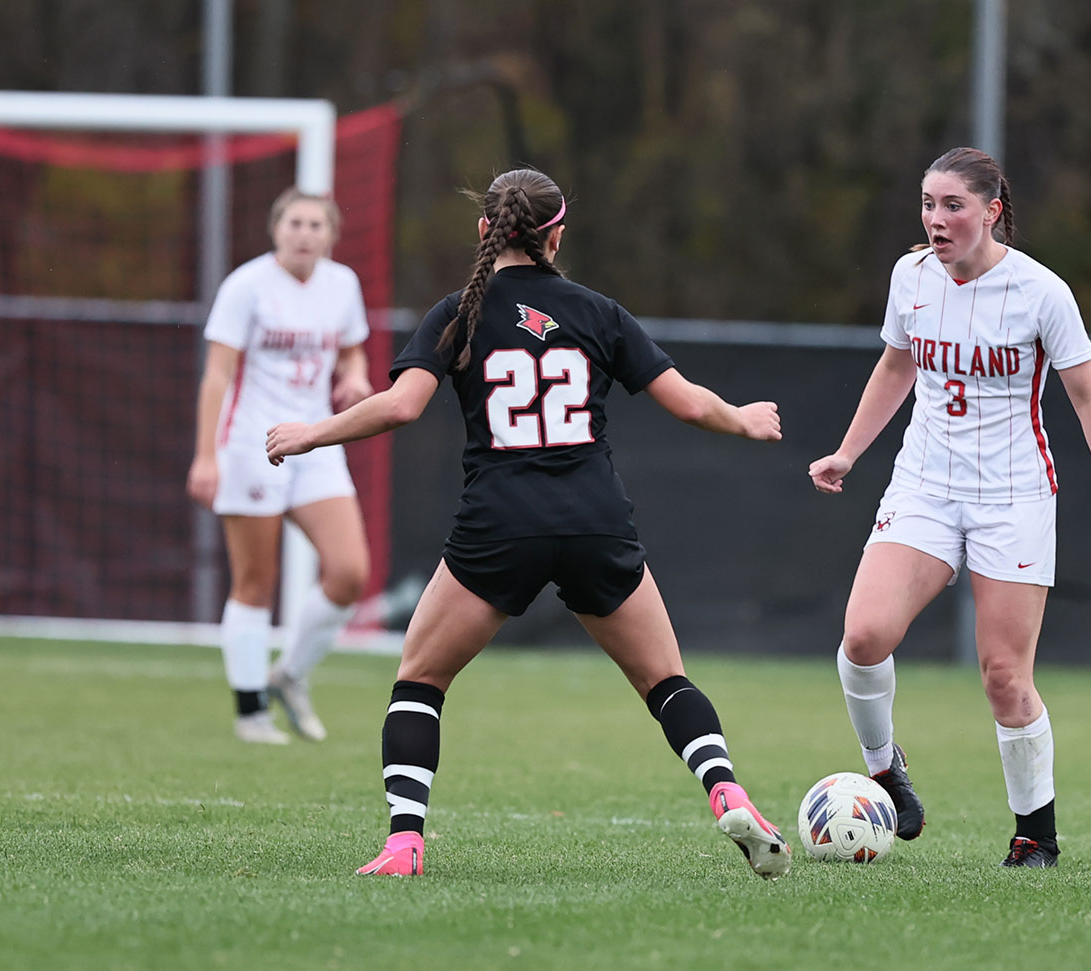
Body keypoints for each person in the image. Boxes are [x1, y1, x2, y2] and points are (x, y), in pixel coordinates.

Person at [263, 168, 792, 879]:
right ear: (557, 236)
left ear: (485, 229)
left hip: (501, 525)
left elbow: (399, 406)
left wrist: (310, 434)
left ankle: (404, 844)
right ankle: (726, 789)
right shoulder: (598, 311)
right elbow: (692, 405)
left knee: (420, 682)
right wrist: (745, 420)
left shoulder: (459, 313)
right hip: (594, 521)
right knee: (666, 681)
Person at [808, 147, 1091, 868]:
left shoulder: (1040, 291)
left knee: (1004, 679)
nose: (936, 219)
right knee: (864, 637)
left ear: (991, 212)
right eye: (928, 204)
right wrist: (848, 452)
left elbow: (1089, 396)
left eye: (952, 206)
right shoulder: (911, 277)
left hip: (1013, 498)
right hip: (924, 487)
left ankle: (1035, 835)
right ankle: (884, 772)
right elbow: (896, 363)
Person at [188, 188, 373, 745]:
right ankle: (251, 713)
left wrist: (356, 376)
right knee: (255, 582)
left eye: (316, 225)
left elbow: (352, 349)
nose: (304, 234)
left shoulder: (342, 284)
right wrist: (206, 455)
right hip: (252, 444)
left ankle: (289, 675)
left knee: (349, 573)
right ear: (276, 228)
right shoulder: (246, 286)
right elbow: (217, 375)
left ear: (331, 234)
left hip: (316, 442)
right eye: (295, 223)